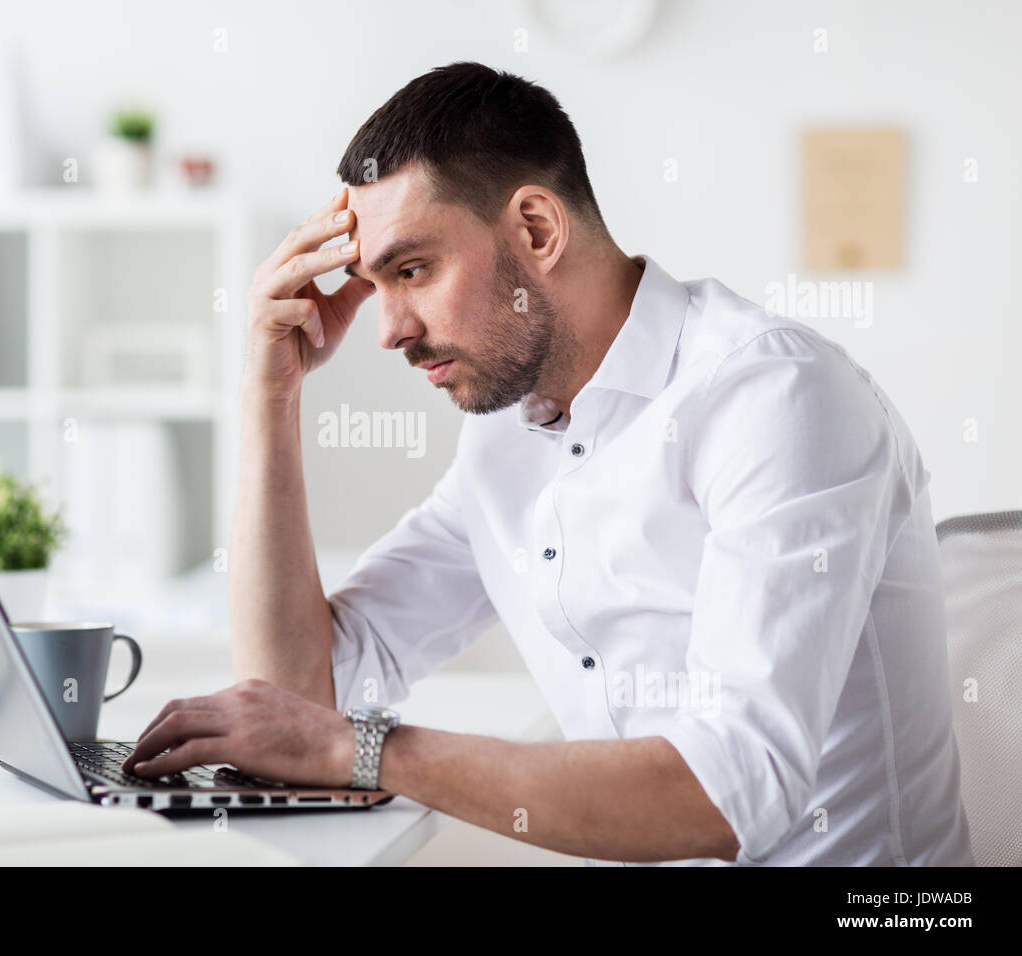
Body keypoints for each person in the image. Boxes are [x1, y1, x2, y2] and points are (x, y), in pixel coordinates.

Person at [124, 62, 973, 866]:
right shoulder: (508, 438)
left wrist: (366, 750)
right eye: (373, 285)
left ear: (537, 228)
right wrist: (270, 396)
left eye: (412, 270)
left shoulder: (773, 397)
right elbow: (298, 698)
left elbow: (732, 792)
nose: (387, 329)